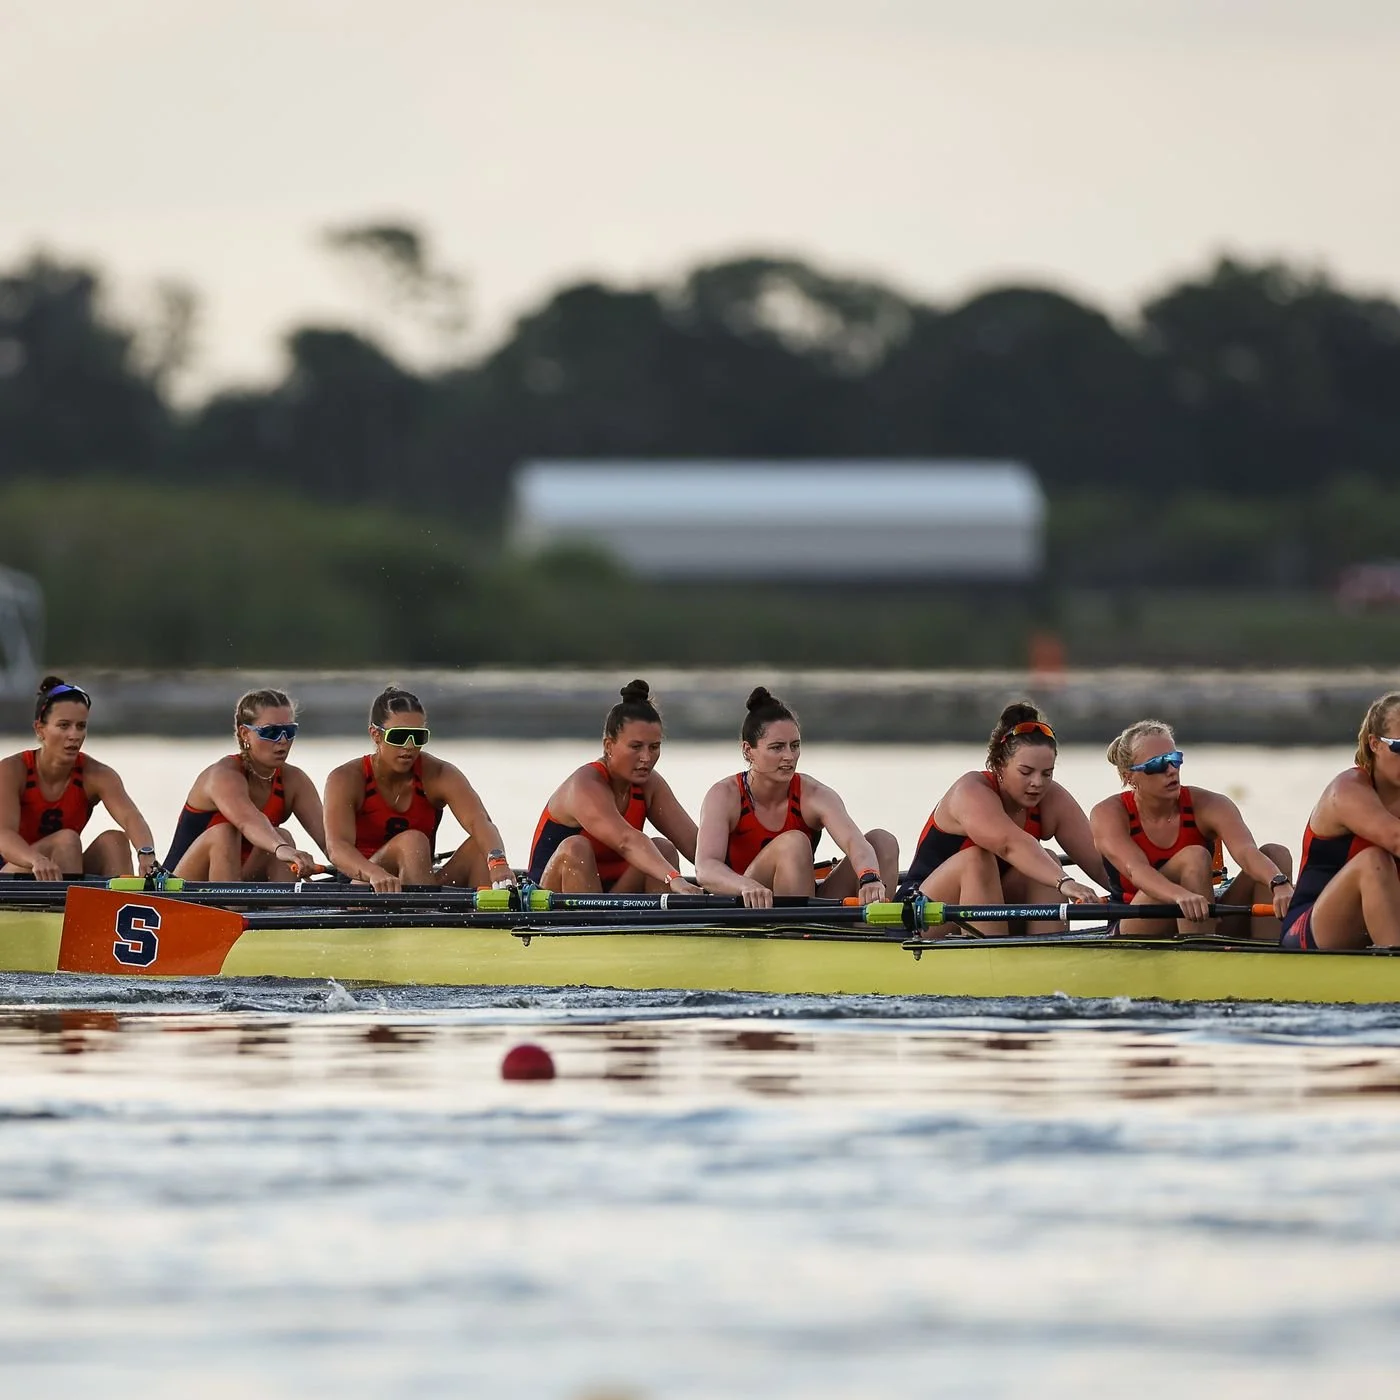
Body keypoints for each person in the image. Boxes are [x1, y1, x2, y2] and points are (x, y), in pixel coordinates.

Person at [900, 701, 1101, 935]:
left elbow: (1100, 862)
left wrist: (1139, 894)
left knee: (1047, 860)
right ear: (999, 765)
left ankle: (1050, 953)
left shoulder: (1051, 798)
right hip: (920, 913)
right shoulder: (970, 791)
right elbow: (1009, 845)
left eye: (1047, 773)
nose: (1037, 782)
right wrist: (1065, 882)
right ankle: (988, 959)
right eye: (1026, 772)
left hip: (992, 909)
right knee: (977, 861)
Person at [694, 687, 898, 908]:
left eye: (795, 746)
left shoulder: (814, 794)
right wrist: (745, 886)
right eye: (777, 747)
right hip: (745, 901)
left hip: (801, 897)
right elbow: (706, 868)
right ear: (747, 751)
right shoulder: (724, 795)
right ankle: (797, 934)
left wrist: (869, 877)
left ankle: (872, 930)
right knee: (794, 842)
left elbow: (855, 842)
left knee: (882, 842)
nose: (789, 757)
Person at [1091, 718, 1293, 940]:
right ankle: (1200, 953)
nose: (1171, 770)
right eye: (1157, 765)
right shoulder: (1109, 813)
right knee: (1193, 856)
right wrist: (1179, 895)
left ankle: (1270, 951)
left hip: (1201, 912)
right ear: (1129, 776)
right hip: (1137, 921)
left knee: (1276, 855)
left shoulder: (1209, 804)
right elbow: (1136, 870)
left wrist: (1278, 882)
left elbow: (1246, 853)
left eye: (1174, 759)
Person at [323, 685, 518, 891]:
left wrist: (498, 863)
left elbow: (480, 822)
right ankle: (428, 914)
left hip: (420, 881)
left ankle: (481, 916)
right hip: (363, 884)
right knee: (412, 841)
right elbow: (338, 848)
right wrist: (374, 873)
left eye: (418, 737)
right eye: (399, 737)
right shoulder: (346, 778)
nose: (409, 746)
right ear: (375, 735)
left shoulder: (439, 774)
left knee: (481, 847)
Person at [528, 680, 701, 894]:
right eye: (636, 747)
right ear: (608, 746)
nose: (646, 758)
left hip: (614, 892)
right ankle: (589, 925)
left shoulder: (649, 784)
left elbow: (697, 847)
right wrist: (674, 878)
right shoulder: (585, 784)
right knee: (576, 848)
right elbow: (626, 840)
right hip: (548, 899)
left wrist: (743, 881)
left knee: (663, 850)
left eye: (654, 747)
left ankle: (656, 927)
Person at [0, 676, 159, 880]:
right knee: (66, 841)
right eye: (64, 726)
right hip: (10, 873)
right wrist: (36, 860)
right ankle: (62, 908)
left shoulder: (97, 775)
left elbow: (131, 817)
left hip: (61, 867)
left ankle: (117, 907)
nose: (74, 735)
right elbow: (4, 836)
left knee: (115, 840)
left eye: (81, 726)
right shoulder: (12, 770)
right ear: (40, 729)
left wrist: (147, 855)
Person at [1279, 693, 1400, 950]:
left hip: (1371, 930)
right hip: (1306, 932)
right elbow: (1396, 840)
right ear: (1375, 744)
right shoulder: (1347, 790)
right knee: (1374, 861)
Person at [165, 688, 326, 880]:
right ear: (245, 734)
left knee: (282, 835)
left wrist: (364, 868)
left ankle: (286, 909)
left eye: (289, 731)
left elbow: (331, 843)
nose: (283, 740)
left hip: (240, 878)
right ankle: (233, 907)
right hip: (179, 886)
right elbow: (248, 821)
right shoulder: (223, 774)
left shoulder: (294, 780)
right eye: (271, 732)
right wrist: (283, 849)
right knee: (225, 834)